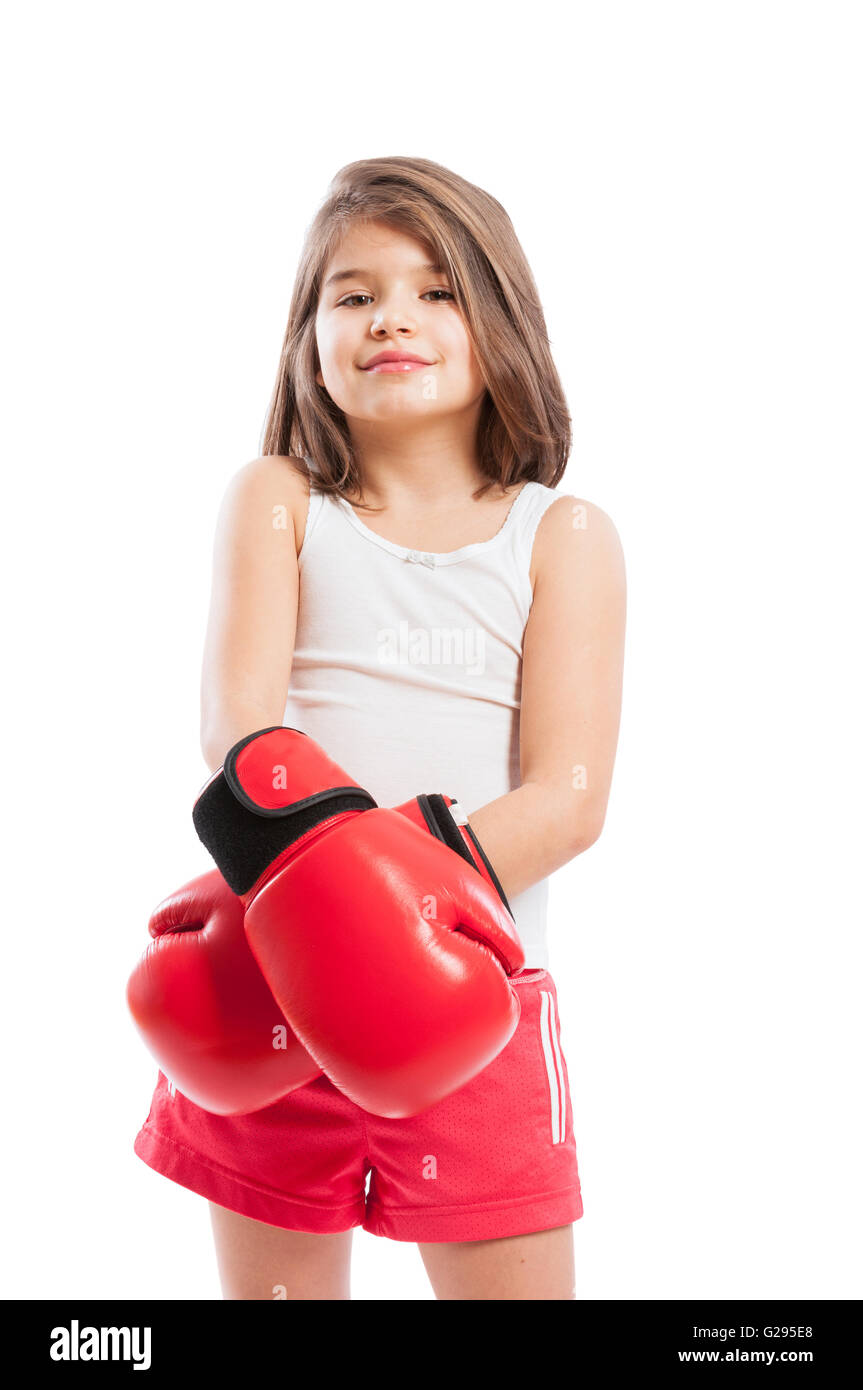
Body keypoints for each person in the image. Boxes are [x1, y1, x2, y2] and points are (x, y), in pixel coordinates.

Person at [132, 155, 626, 1300]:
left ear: (499, 318)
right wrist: (333, 922)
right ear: (308, 333)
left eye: (436, 288)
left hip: (477, 999)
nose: (390, 316)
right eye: (352, 294)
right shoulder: (276, 499)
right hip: (268, 990)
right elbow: (240, 733)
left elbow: (568, 796)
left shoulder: (564, 536)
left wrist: (387, 914)